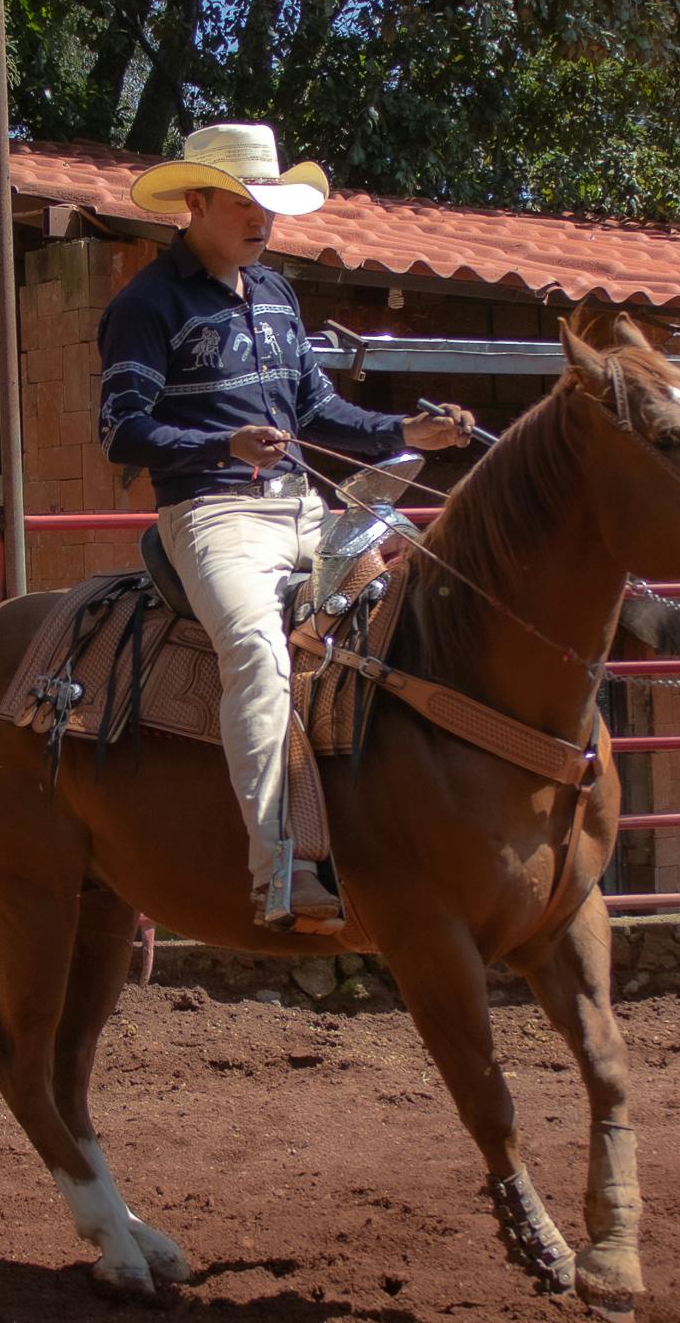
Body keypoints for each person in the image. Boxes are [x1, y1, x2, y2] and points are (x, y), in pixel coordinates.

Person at [99, 122, 475, 926]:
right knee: (255, 652)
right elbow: (119, 430)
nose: (259, 217)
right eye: (241, 200)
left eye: (266, 202)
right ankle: (279, 870)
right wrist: (219, 444)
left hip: (307, 505)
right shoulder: (146, 303)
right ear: (193, 203)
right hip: (212, 513)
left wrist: (406, 433)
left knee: (419, 600)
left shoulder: (274, 293)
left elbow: (317, 410)